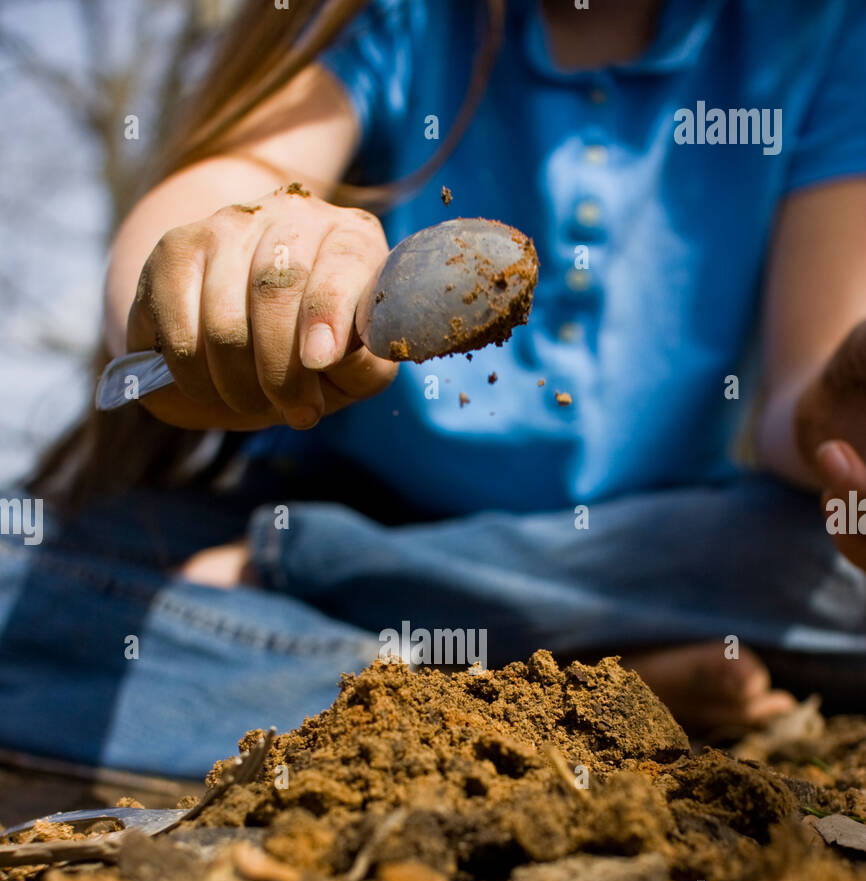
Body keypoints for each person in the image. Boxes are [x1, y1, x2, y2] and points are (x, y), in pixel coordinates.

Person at [2, 0, 866, 779]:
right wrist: (219, 265)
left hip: (644, 555)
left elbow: (806, 415)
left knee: (831, 561)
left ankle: (332, 618)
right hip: (333, 504)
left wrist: (840, 414)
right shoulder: (392, 16)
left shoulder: (817, 29)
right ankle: (575, 699)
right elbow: (216, 194)